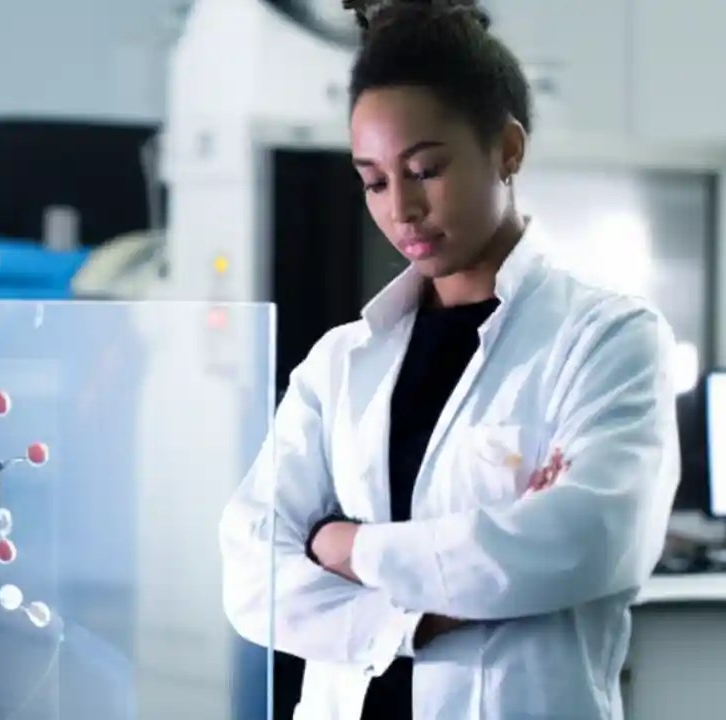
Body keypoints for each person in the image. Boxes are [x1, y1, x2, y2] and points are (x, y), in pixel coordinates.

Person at [218, 0, 682, 718]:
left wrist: (349, 548)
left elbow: (588, 541)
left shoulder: (605, 337)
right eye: (374, 181)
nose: (401, 209)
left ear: (508, 149)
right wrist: (416, 619)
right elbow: (253, 575)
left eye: (426, 169)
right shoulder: (340, 364)